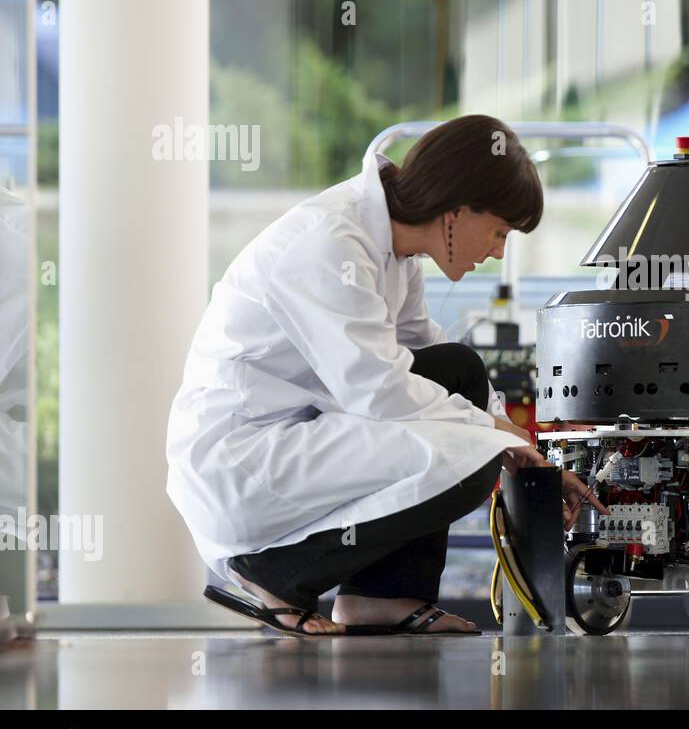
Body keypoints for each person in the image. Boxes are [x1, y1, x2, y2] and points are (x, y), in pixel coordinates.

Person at [166, 115, 605, 635]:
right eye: (499, 232)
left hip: (306, 430)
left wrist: (522, 445)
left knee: (458, 372)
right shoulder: (328, 244)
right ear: (459, 210)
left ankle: (379, 598)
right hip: (244, 457)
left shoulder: (397, 253)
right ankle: (271, 573)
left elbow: (429, 357)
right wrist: (496, 442)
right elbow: (378, 390)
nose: (497, 251)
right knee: (471, 461)